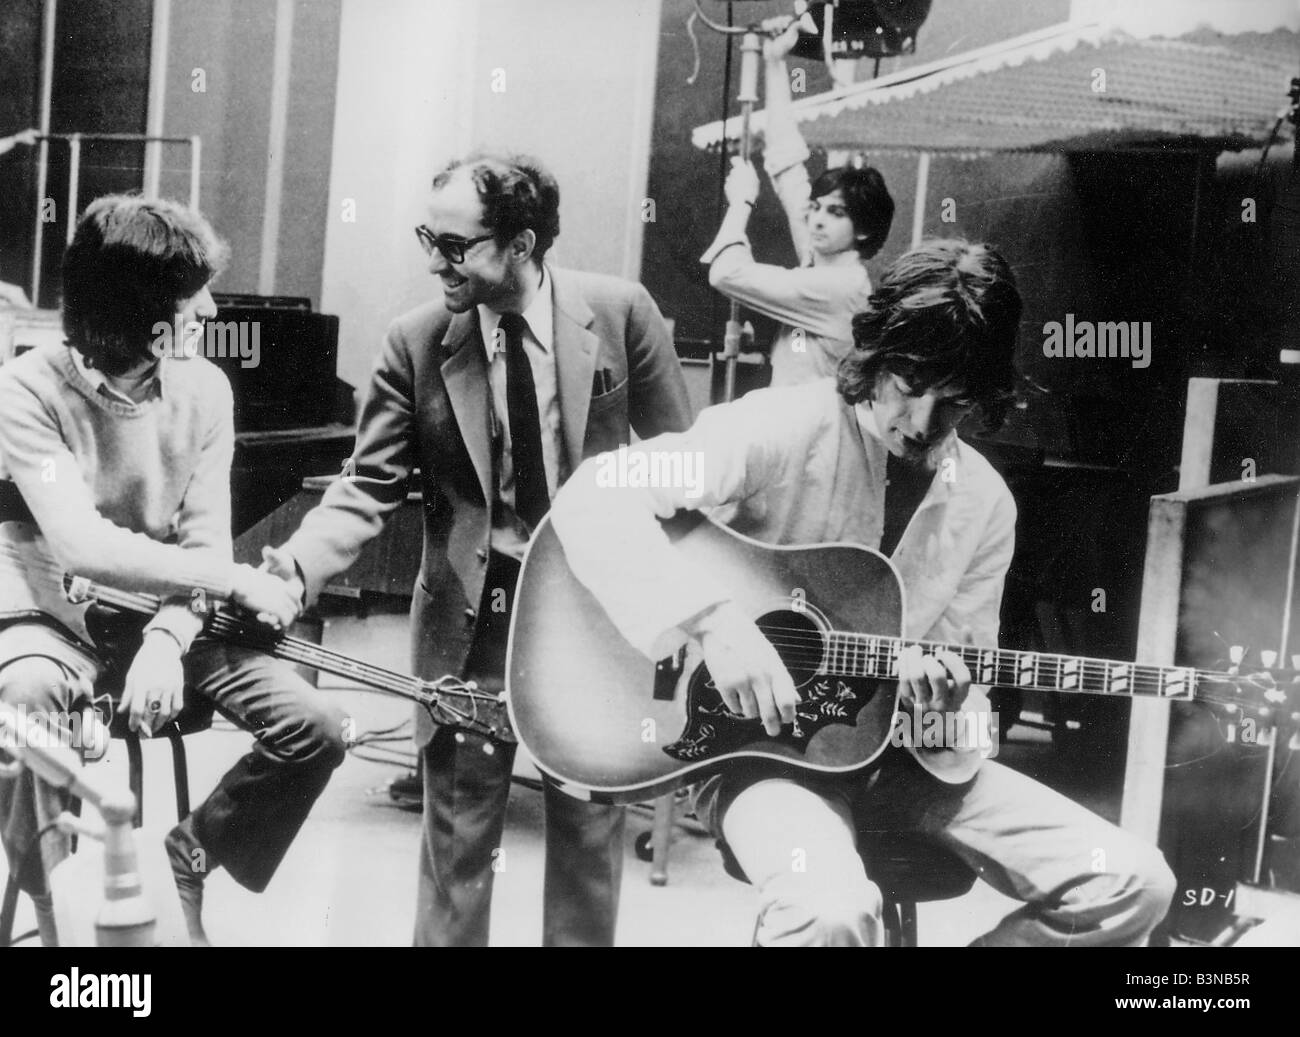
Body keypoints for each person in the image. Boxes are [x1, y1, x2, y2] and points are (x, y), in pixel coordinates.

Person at [550, 239, 1176, 946]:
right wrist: (713, 624)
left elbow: (965, 712)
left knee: (1134, 882)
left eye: (955, 401)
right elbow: (593, 493)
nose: (921, 421)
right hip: (762, 760)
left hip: (908, 767)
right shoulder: (781, 426)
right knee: (831, 912)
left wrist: (943, 708)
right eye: (909, 383)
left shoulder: (985, 505)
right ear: (875, 357)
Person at [268, 152, 693, 947]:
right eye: (429, 236)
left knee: (589, 847)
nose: (435, 260)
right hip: (474, 623)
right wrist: (293, 566)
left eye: (456, 245)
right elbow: (367, 485)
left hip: (598, 619)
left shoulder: (624, 313)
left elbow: (689, 466)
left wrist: (686, 613)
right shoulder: (417, 339)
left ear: (523, 243)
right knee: (459, 852)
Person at [0, 194, 347, 946]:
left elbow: (205, 548)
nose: (213, 309)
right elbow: (82, 546)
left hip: (169, 615)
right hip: (50, 612)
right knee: (27, 699)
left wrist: (166, 640)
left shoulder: (205, 389)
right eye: (193, 298)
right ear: (135, 313)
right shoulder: (25, 389)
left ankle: (188, 854)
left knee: (315, 726)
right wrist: (232, 583)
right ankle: (63, 900)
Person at [703, 20, 894, 387]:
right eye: (817, 207)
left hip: (817, 438)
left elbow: (725, 273)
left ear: (866, 228)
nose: (818, 220)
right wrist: (775, 63)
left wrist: (741, 202)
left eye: (836, 213)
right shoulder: (821, 260)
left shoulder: (838, 288)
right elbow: (786, 161)